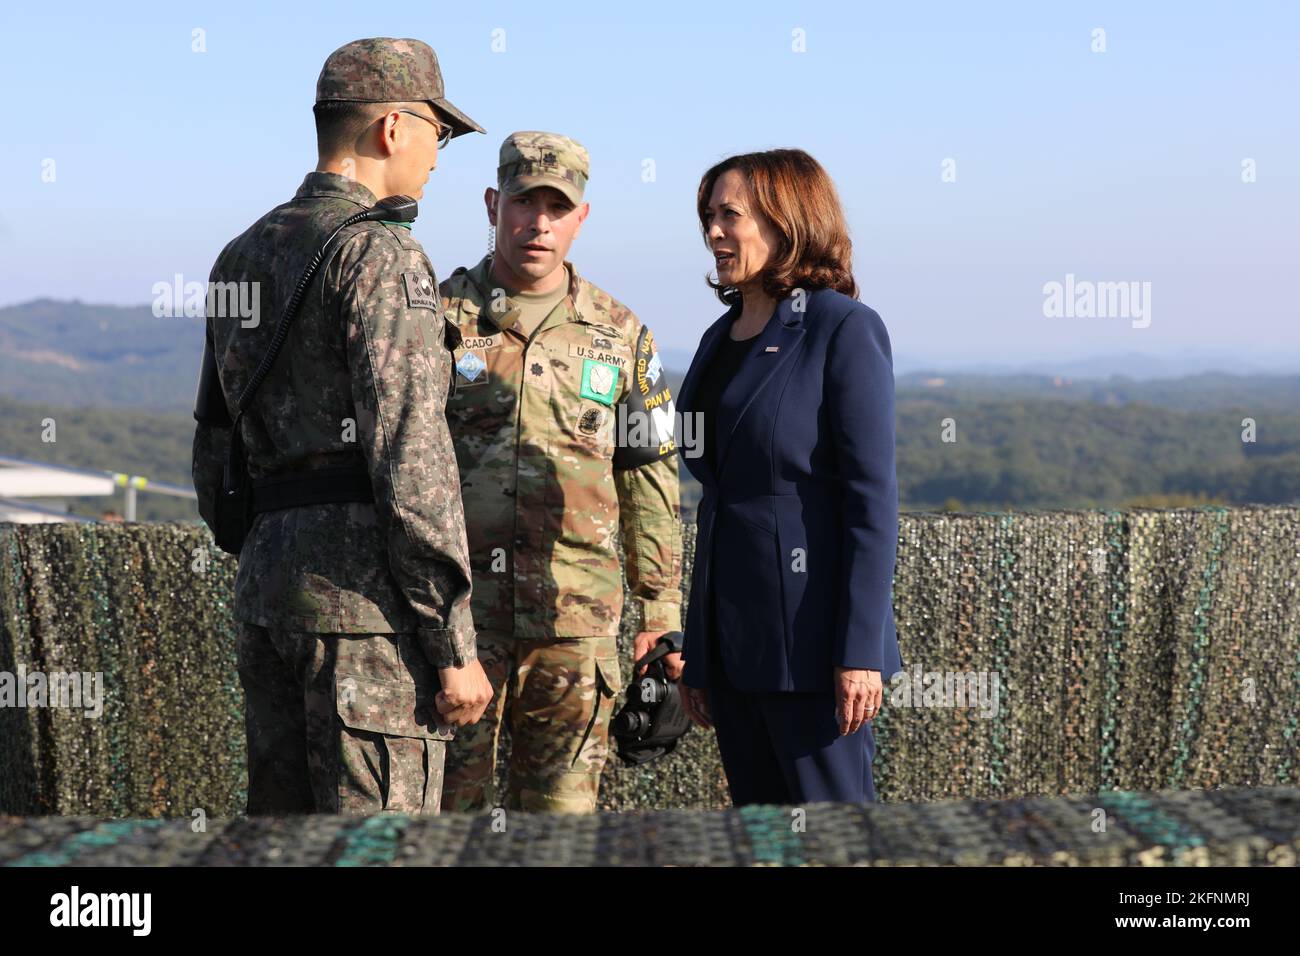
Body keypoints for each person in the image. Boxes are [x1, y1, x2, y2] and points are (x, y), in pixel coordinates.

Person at [191, 37, 492, 815]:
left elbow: (213, 448)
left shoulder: (240, 255)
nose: (439, 154)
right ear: (393, 128)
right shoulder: (382, 255)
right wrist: (454, 645)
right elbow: (412, 459)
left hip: (268, 596)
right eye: (440, 131)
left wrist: (271, 546)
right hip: (366, 615)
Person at [438, 131, 683, 814]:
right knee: (444, 826)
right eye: (523, 202)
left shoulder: (621, 333)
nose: (537, 222)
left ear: (581, 217)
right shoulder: (436, 318)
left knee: (559, 831)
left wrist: (660, 614)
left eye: (556, 205)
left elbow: (649, 475)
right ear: (493, 204)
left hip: (576, 631)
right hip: (459, 628)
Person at [675, 148, 903, 805]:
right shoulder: (719, 339)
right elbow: (719, 503)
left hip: (814, 657)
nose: (714, 231)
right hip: (732, 652)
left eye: (731, 215)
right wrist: (700, 648)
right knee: (761, 842)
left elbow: (873, 504)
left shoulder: (843, 329)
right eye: (708, 216)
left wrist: (858, 652)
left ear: (788, 221)